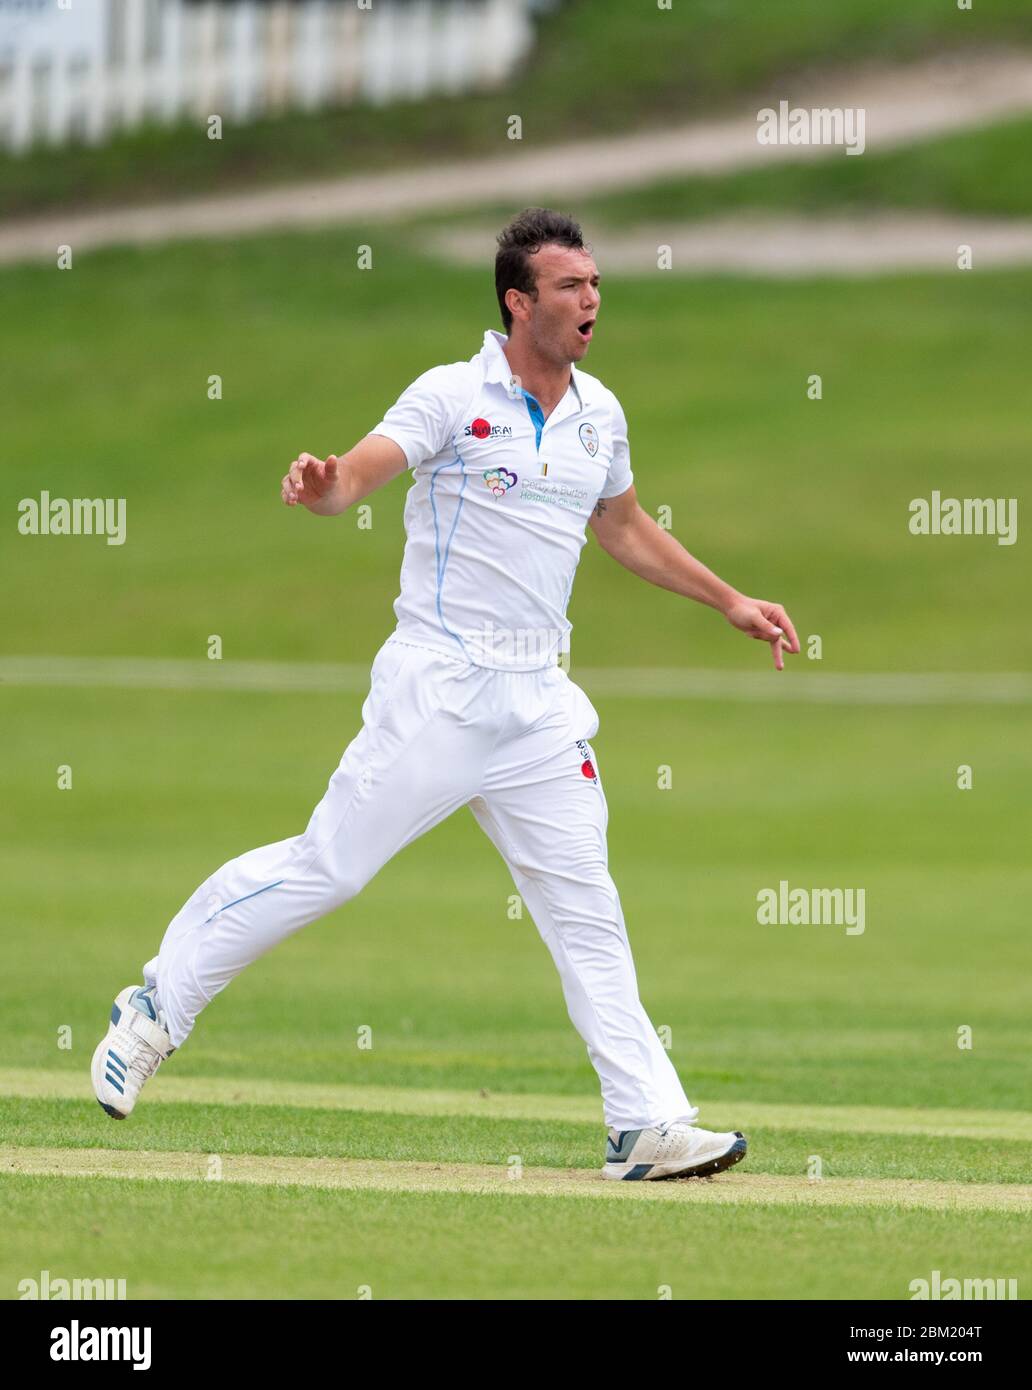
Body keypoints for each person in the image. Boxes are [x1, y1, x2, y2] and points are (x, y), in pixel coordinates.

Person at [92, 208, 799, 1181]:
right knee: (329, 868)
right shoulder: (449, 394)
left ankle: (643, 1125)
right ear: (519, 301)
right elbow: (358, 477)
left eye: (594, 283)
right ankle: (157, 1007)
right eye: (568, 286)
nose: (591, 299)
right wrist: (324, 485)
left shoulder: (601, 413)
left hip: (539, 706)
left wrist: (729, 600)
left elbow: (623, 525)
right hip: (440, 689)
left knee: (586, 909)